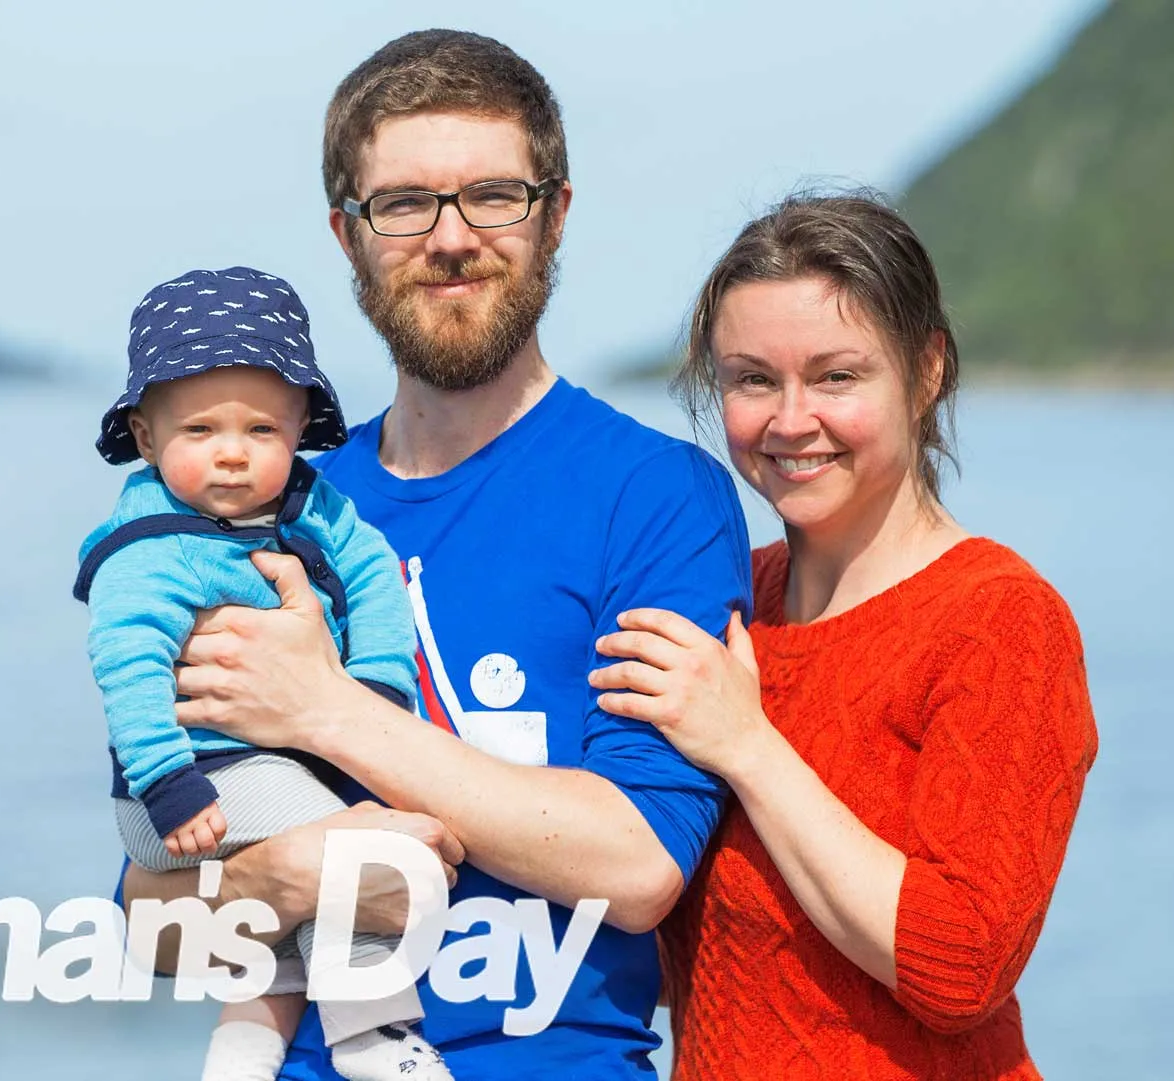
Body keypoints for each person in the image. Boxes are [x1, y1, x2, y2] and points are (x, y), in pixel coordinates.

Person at [117, 30, 753, 1081]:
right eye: (405, 203)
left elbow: (638, 865)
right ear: (347, 234)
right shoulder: (274, 503)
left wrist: (323, 710)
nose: (451, 237)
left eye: (493, 195)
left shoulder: (653, 495)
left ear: (555, 214)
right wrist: (274, 883)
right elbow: (149, 918)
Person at [590, 192, 1099, 1080]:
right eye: (753, 379)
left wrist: (748, 744)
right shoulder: (722, 597)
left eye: (836, 376)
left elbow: (961, 967)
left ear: (928, 369)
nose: (790, 421)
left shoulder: (1001, 619)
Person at [77, 266, 452, 1081]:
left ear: (299, 430)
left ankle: (240, 1054)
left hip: (258, 766)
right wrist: (168, 780)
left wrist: (378, 689)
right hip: (181, 781)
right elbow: (129, 666)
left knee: (287, 913)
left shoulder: (316, 508)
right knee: (347, 845)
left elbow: (376, 578)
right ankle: (370, 1032)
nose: (234, 456)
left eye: (262, 431)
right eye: (201, 430)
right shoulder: (153, 547)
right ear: (145, 438)